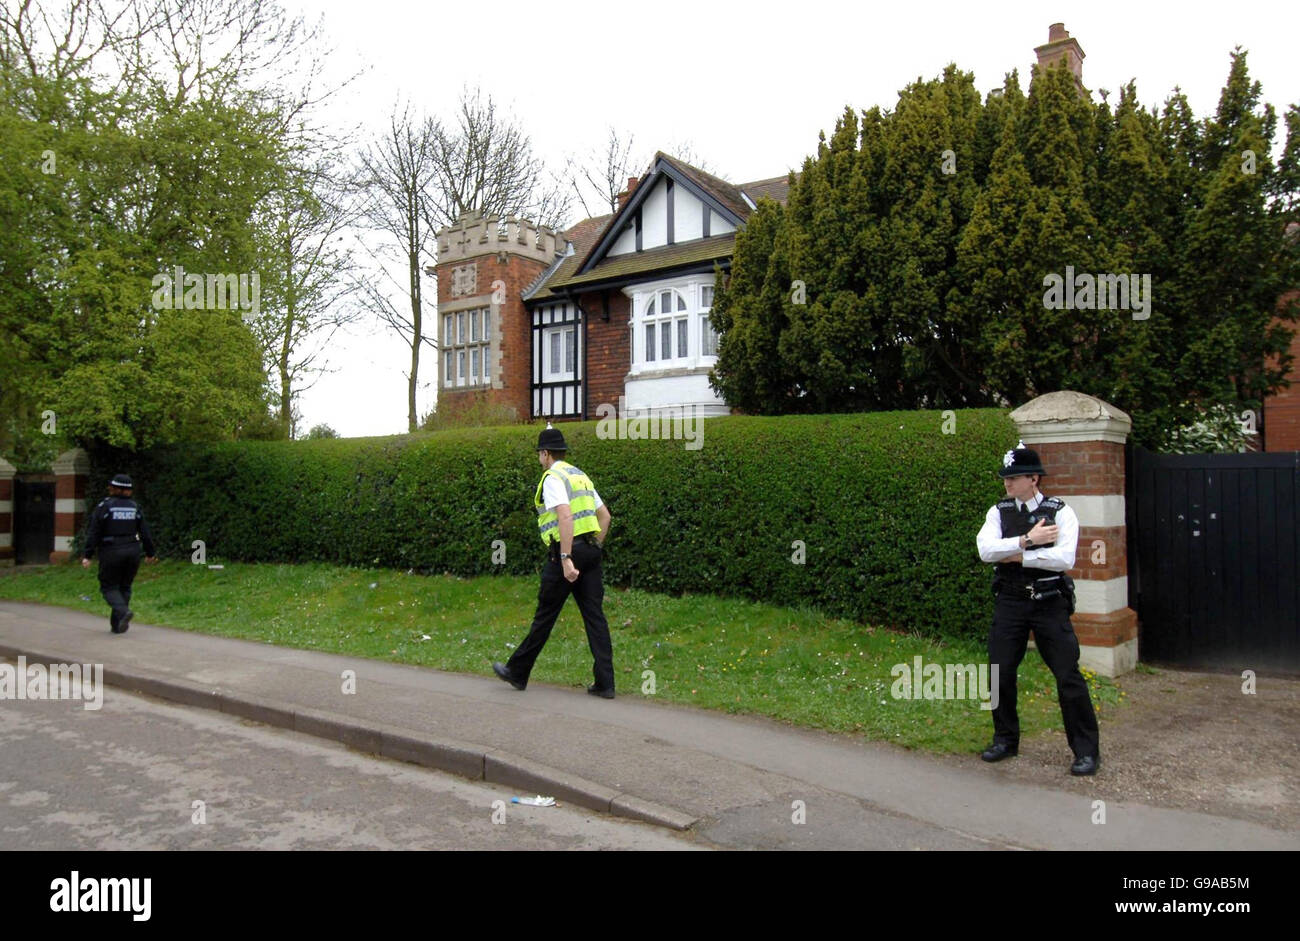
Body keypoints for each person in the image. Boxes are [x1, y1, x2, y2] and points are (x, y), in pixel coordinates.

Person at [976, 442, 1100, 775]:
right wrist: (1027, 541)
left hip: (1048, 601)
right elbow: (986, 550)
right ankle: (1005, 739)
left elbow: (1064, 558)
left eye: (1014, 478)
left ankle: (1086, 751)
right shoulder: (998, 512)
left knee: (1067, 675)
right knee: (999, 671)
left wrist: (1018, 556)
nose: (1007, 484)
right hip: (1011, 601)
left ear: (1033, 478)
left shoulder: (1060, 511)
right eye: (1005, 478)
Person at [493, 425, 615, 698]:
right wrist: (595, 545)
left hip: (565, 552)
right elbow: (605, 516)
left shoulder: (552, 477)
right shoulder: (579, 475)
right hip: (591, 551)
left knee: (545, 616)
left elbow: (565, 516)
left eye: (539, 453)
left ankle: (517, 672)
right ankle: (606, 684)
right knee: (595, 618)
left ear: (546, 453)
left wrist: (566, 558)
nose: (539, 458)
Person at [81, 473, 157, 634]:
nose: (109, 488)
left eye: (111, 486)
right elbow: (145, 532)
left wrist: (87, 554)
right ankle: (117, 625)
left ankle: (123, 612)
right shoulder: (134, 507)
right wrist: (150, 553)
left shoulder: (106, 506)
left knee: (108, 586)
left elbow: (94, 531)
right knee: (125, 586)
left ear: (116, 489)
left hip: (111, 550)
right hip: (133, 550)